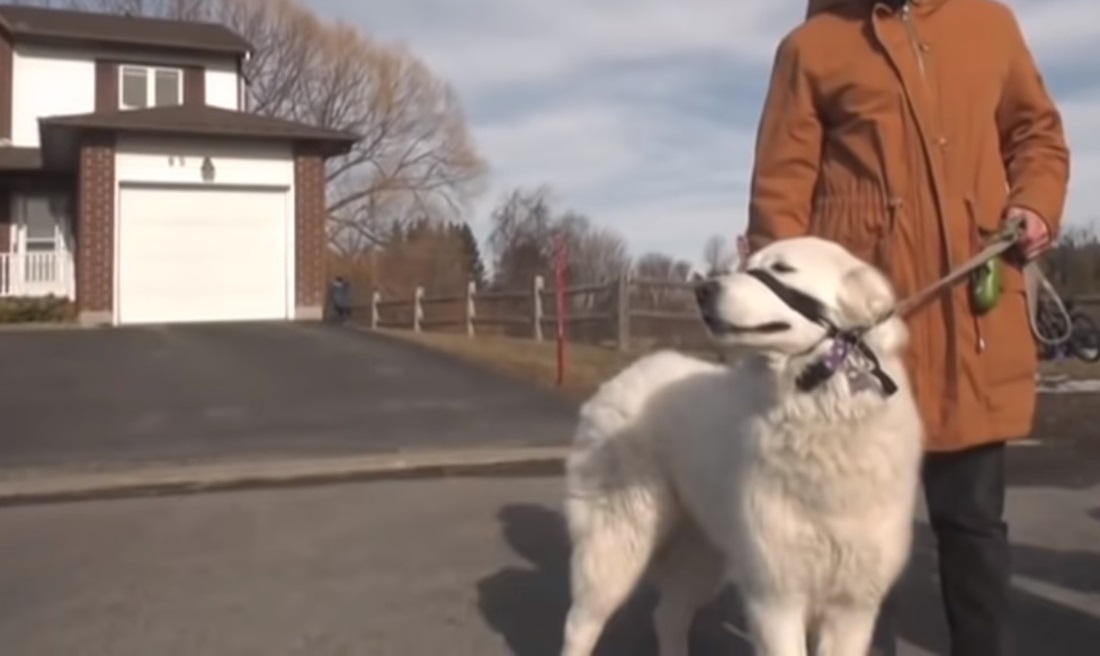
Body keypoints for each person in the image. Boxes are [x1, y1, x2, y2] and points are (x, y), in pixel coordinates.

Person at [744, 0, 1070, 654]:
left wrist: (1035, 203)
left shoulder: (989, 24)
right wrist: (781, 320)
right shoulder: (811, 48)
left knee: (974, 530)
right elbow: (780, 199)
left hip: (972, 333)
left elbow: (1036, 134)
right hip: (860, 348)